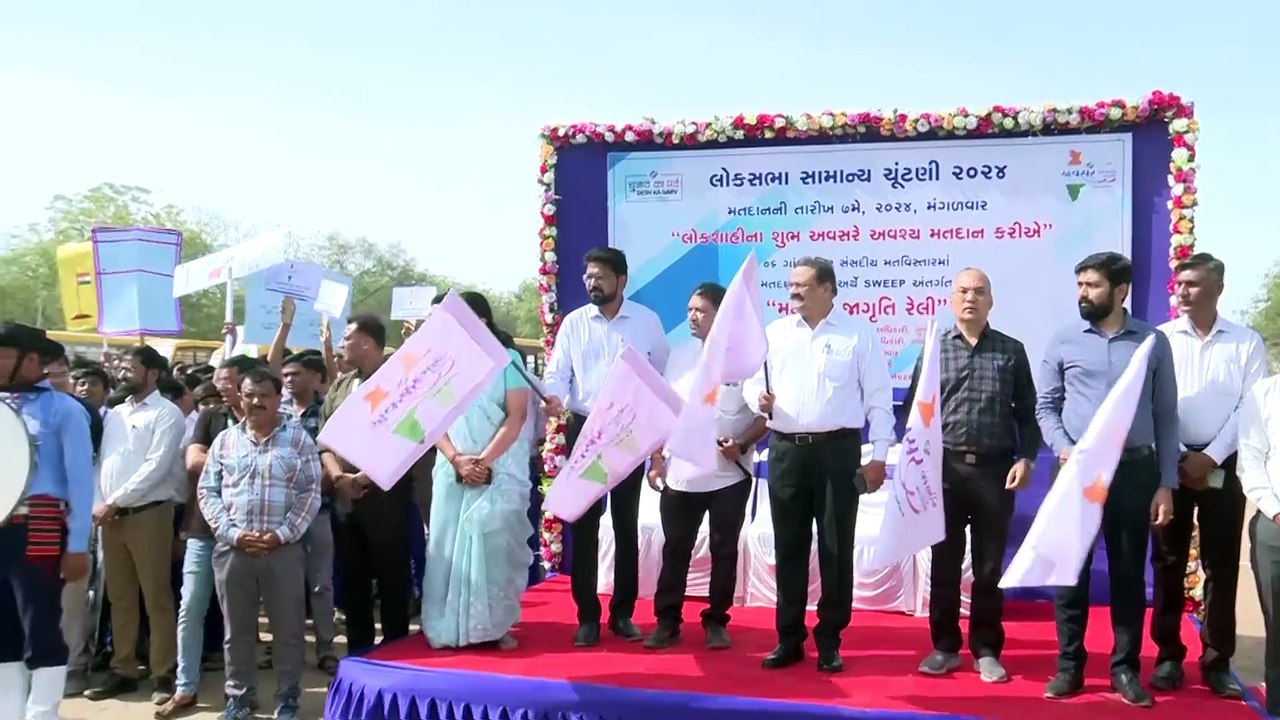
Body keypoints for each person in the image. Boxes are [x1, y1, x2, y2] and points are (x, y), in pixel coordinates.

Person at [1035, 251, 1178, 707]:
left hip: (1135, 471)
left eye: (1092, 285)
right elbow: (1046, 405)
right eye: (1079, 285)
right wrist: (1062, 445)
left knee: (1127, 574)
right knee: (1070, 572)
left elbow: (1166, 416)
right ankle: (1069, 667)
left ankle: (1124, 669)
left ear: (1121, 291)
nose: (1083, 293)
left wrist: (1165, 482)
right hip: (1077, 472)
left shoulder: (1152, 343)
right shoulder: (1063, 341)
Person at [743, 256, 894, 674]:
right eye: (791, 285)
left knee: (835, 547)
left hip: (837, 452)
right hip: (787, 451)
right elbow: (752, 382)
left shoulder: (857, 333)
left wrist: (880, 455)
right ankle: (788, 637)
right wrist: (758, 399)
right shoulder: (774, 334)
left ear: (827, 289)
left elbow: (879, 397)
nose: (792, 292)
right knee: (788, 547)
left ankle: (829, 638)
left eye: (802, 285)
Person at [906, 268, 1041, 683]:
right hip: (943, 472)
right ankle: (944, 647)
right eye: (963, 291)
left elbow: (1027, 414)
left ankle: (986, 649)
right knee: (944, 563)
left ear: (991, 301)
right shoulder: (932, 350)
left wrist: (1027, 458)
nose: (971, 298)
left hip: (995, 471)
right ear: (951, 299)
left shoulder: (1011, 351)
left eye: (979, 292)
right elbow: (914, 410)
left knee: (987, 567)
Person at [1150, 253, 1265, 697]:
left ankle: (1217, 662)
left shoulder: (1245, 342)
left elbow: (1249, 407)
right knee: (1167, 563)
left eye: (1194, 284)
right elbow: (1153, 403)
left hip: (1225, 466)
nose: (1183, 291)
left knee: (1220, 566)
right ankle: (1166, 658)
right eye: (1179, 283)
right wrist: (1180, 455)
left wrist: (1211, 457)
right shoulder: (1160, 339)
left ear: (1218, 288)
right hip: (1169, 463)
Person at [541, 247, 669, 646]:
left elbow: (659, 372)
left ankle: (623, 614)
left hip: (628, 430)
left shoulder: (647, 323)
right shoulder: (575, 324)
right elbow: (557, 371)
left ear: (621, 280)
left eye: (600, 277)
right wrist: (554, 396)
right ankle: (587, 617)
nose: (592, 283)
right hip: (586, 429)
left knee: (625, 524)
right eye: (588, 277)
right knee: (584, 524)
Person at [644, 282, 766, 651]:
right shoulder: (678, 355)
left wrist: (742, 443)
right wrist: (654, 460)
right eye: (689, 310)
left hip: (729, 476)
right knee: (675, 549)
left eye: (700, 310)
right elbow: (661, 412)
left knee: (724, 549)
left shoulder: (745, 360)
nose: (692, 317)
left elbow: (765, 415)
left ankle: (717, 620)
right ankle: (667, 622)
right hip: (680, 476)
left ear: (721, 314)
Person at [198, 367, 322, 720]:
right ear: (240, 396)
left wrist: (281, 535)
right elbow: (207, 491)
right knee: (236, 631)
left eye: (264, 395)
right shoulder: (225, 440)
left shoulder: (298, 439)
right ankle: (239, 696)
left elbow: (311, 492)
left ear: (277, 398)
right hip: (234, 549)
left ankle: (288, 697)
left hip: (283, 550)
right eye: (249, 395)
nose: (255, 402)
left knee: (288, 630)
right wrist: (233, 533)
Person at [423, 291, 533, 649]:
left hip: (496, 469)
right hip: (451, 465)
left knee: (493, 548)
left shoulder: (507, 360)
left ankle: (492, 627)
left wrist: (482, 462)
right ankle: (445, 627)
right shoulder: (436, 362)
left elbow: (516, 416)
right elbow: (429, 417)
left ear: (480, 321)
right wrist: (456, 458)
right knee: (446, 547)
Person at [0, 323, 94, 720]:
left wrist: (76, 546)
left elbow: (81, 485)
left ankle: (42, 714)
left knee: (40, 628)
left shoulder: (65, 409)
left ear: (32, 359)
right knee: (3, 631)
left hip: (38, 527)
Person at [157, 356, 256, 718]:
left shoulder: (268, 422)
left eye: (227, 379)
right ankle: (185, 688)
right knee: (190, 608)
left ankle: (241, 693)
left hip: (249, 531)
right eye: (218, 379)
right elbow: (193, 462)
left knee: (240, 616)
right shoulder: (209, 417)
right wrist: (243, 458)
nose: (220, 386)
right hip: (204, 529)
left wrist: (220, 459)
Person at [86, 345, 186, 705]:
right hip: (110, 517)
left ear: (153, 374)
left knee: (156, 597)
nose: (124, 372)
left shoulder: (167, 413)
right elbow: (103, 463)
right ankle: (124, 668)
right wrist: (101, 500)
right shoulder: (113, 413)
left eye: (132, 367)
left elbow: (156, 467)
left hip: (148, 515)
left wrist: (114, 501)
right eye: (123, 366)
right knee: (120, 597)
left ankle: (163, 672)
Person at [319, 315, 414, 653]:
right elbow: (325, 441)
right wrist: (338, 476)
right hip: (345, 498)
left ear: (367, 343)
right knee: (353, 577)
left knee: (392, 577)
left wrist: (365, 476)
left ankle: (395, 647)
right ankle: (359, 649)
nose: (342, 344)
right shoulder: (341, 386)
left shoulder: (400, 381)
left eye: (347, 338)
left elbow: (409, 438)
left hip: (386, 495)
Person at [44, 352, 105, 695]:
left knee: (72, 597)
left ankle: (74, 666)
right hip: (23, 519)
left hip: (71, 517)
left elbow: (86, 470)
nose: (53, 375)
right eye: (48, 369)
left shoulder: (80, 412)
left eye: (60, 370)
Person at [281, 352, 338, 674]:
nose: (289, 380)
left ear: (315, 377)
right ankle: (287, 650)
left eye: (296, 374)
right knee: (284, 587)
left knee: (320, 585)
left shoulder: (327, 411)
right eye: (285, 375)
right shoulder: (277, 413)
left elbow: (332, 458)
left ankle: (326, 648)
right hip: (283, 515)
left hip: (318, 511)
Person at [1240, 372, 1280, 717]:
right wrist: (1277, 512)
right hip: (1275, 524)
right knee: (1278, 620)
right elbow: (1250, 460)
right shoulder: (1264, 394)